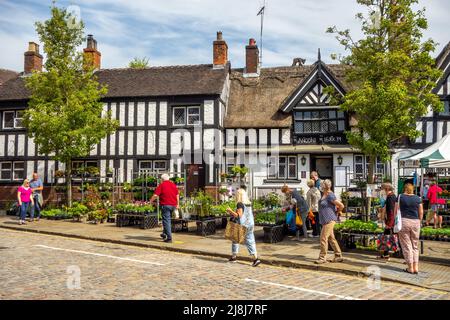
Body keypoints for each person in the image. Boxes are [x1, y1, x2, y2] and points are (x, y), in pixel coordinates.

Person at [226, 186, 261, 267]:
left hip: (242, 225)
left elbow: (239, 215)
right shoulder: (248, 203)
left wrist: (230, 211)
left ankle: (236, 258)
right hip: (250, 224)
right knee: (250, 241)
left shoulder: (240, 204)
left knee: (236, 239)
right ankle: (255, 258)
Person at [396, 183, 423, 274]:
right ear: (413, 189)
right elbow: (421, 212)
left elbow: (396, 210)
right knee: (415, 245)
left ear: (405, 189)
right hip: (416, 222)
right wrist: (419, 221)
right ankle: (416, 267)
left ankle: (410, 267)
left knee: (407, 245)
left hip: (404, 222)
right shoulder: (418, 198)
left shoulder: (400, 197)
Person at [315, 179, 344, 264]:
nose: (321, 186)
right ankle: (338, 255)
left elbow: (341, 205)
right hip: (325, 220)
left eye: (322, 185)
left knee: (323, 238)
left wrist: (337, 212)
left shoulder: (330, 195)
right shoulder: (324, 194)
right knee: (332, 239)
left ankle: (322, 257)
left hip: (330, 219)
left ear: (325, 186)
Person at [150, 174, 179, 243]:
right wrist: (178, 204)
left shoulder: (162, 185)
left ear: (162, 179)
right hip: (173, 205)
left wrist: (151, 201)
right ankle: (164, 233)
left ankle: (169, 238)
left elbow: (156, 195)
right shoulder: (173, 185)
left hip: (166, 205)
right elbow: (177, 195)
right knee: (166, 220)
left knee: (166, 221)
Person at [377, 183, 397, 261]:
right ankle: (386, 254)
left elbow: (391, 211)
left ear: (387, 189)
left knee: (387, 237)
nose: (382, 190)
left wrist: (389, 223)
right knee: (387, 237)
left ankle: (386, 254)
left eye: (383, 189)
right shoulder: (391, 196)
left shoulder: (391, 197)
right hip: (390, 221)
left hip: (390, 222)